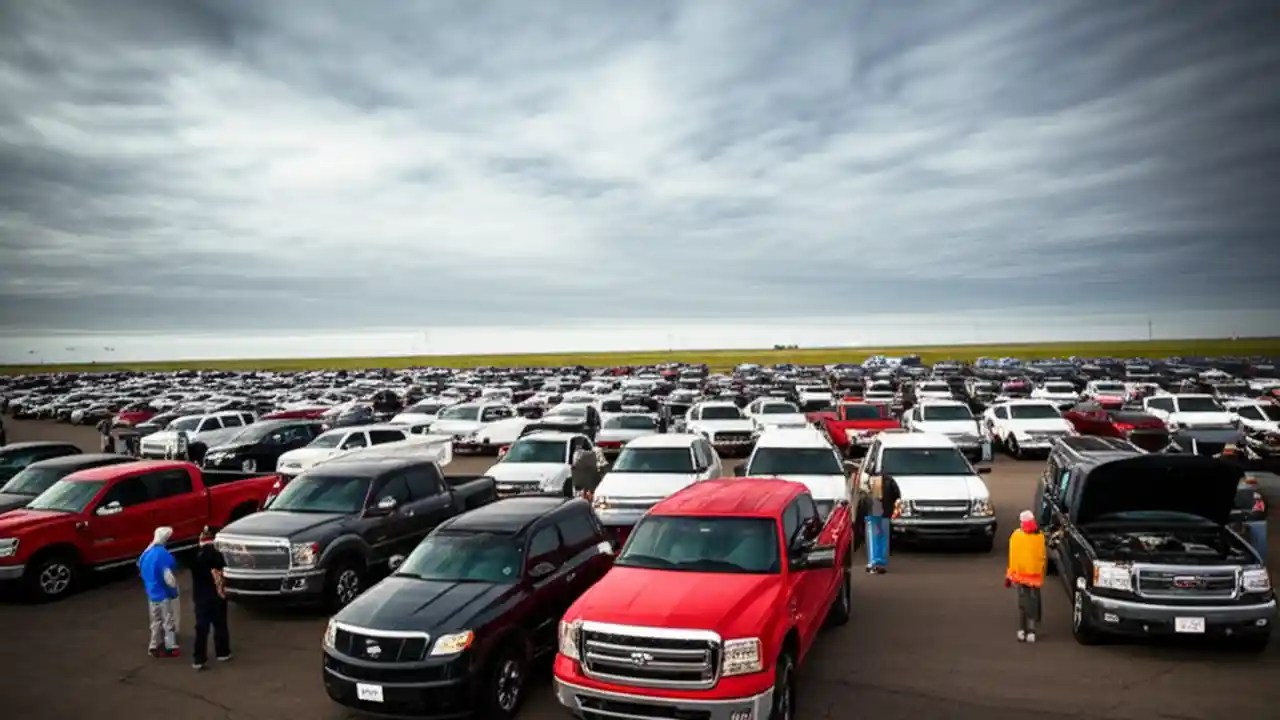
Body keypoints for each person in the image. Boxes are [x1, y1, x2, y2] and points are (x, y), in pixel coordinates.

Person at [190, 527, 231, 670]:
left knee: (201, 628)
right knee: (220, 625)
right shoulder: (217, 555)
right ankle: (222, 652)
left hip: (201, 597)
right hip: (217, 595)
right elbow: (221, 571)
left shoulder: (195, 557)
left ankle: (198, 658)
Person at [138, 526, 181, 657]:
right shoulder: (162, 554)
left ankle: (154, 644)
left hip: (152, 594)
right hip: (163, 594)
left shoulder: (146, 554)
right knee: (168, 620)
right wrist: (174, 591)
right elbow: (169, 578)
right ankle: (171, 646)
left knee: (155, 621)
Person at [1006, 510, 1046, 643]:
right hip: (1034, 577)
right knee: (1033, 603)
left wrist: (1010, 575)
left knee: (1023, 604)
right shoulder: (1039, 536)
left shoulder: (1016, 536)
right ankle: (1032, 631)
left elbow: (1013, 557)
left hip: (1020, 576)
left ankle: (1022, 631)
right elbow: (1042, 557)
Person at [865, 474, 900, 574]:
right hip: (885, 511)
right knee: (883, 537)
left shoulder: (868, 479)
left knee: (874, 537)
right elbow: (897, 496)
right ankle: (880, 563)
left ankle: (874, 562)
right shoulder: (889, 480)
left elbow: (862, 497)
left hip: (874, 511)